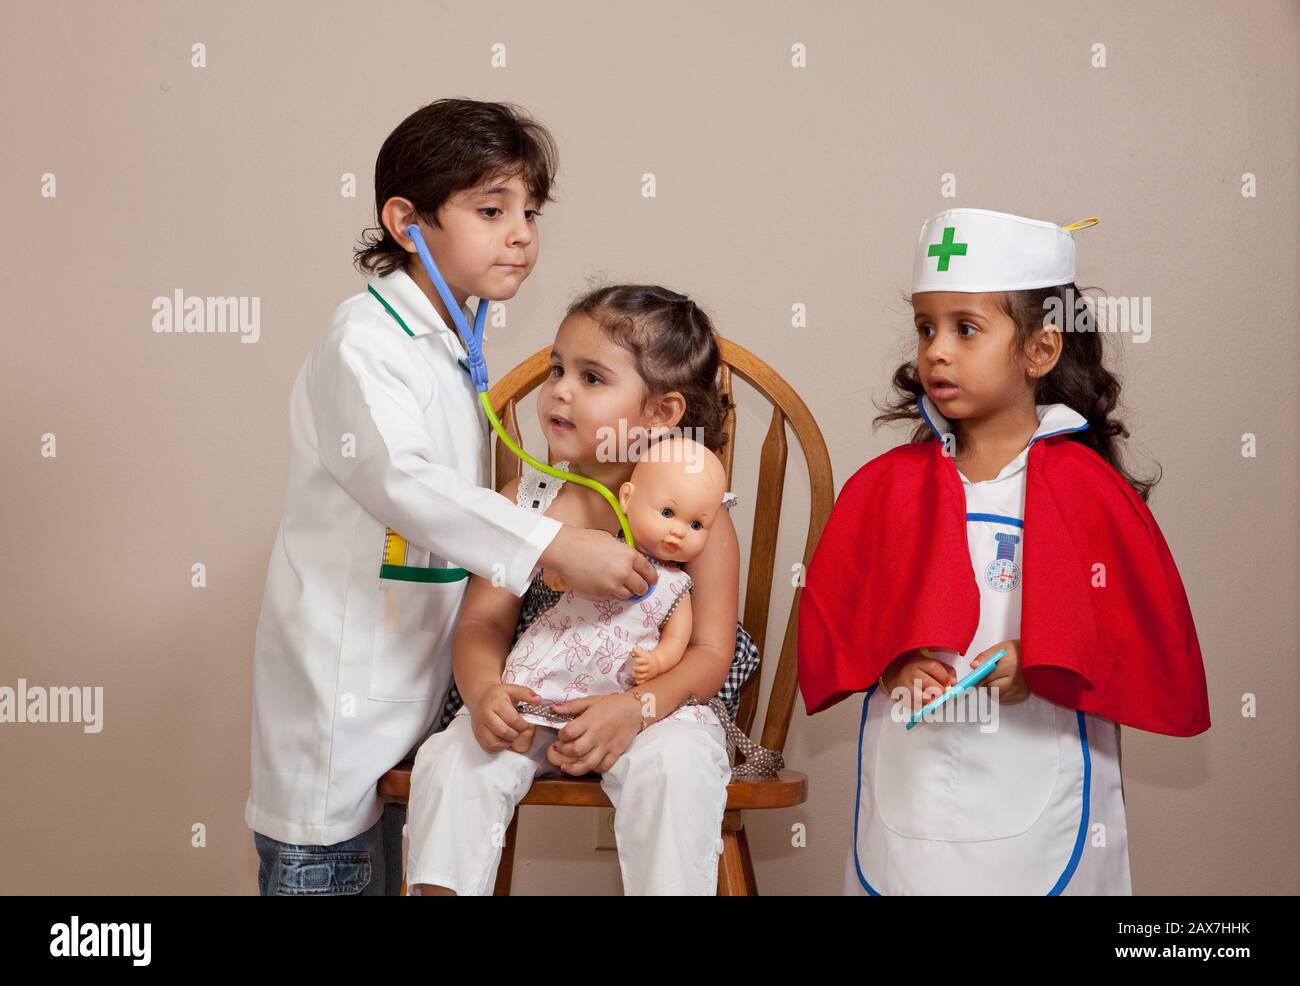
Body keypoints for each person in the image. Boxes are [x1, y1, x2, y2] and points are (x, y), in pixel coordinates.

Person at [247, 99, 657, 896]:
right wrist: (554, 545)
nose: (521, 234)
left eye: (529, 212)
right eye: (491, 209)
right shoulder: (363, 344)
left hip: (414, 697)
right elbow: (405, 481)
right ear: (407, 221)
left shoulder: (452, 344)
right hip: (343, 698)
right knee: (327, 865)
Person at [798, 208, 1210, 895]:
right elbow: (845, 621)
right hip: (916, 779)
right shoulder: (885, 489)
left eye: (966, 329)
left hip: (1040, 766)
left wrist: (1042, 657)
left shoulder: (1089, 493)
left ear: (1040, 352)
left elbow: (1129, 637)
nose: (936, 350)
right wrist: (895, 659)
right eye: (926, 327)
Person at [406, 286, 743, 896]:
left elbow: (711, 650)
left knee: (678, 767)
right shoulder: (523, 505)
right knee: (454, 760)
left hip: (656, 705)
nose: (559, 389)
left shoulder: (698, 521)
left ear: (662, 414)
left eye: (592, 378)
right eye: (558, 368)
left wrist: (635, 709)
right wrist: (484, 693)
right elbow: (483, 623)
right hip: (537, 699)